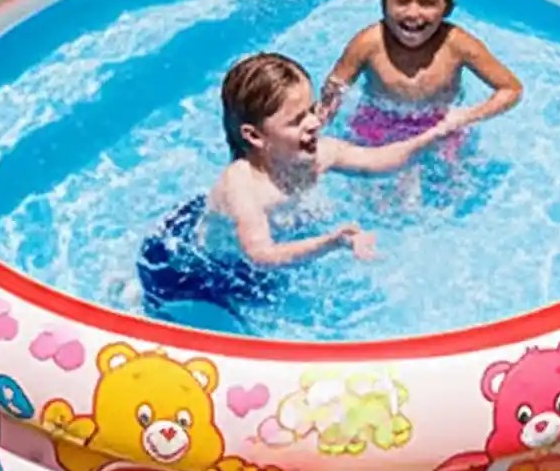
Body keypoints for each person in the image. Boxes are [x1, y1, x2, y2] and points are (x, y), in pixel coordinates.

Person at [136, 51, 461, 333]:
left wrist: (428, 139)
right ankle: (130, 294)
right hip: (196, 268)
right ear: (255, 136)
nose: (313, 123)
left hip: (250, 255)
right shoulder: (242, 187)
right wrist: (331, 242)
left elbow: (375, 161)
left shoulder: (316, 156)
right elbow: (261, 255)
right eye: (296, 120)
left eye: (310, 109)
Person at [319, 0, 523, 151]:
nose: (413, 14)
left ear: (448, 7)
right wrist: (319, 120)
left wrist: (466, 116)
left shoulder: (457, 44)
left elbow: (511, 89)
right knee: (364, 176)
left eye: (427, 4)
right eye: (402, 1)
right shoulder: (368, 43)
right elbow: (335, 88)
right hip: (378, 120)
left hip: (440, 124)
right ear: (383, 1)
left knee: (451, 181)